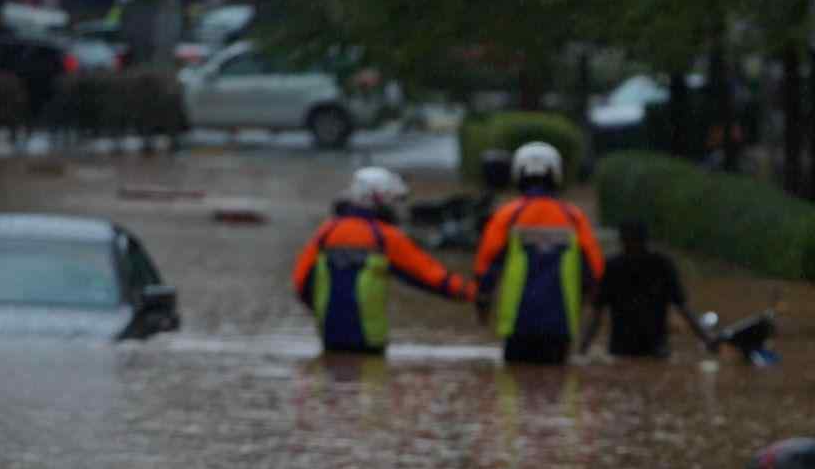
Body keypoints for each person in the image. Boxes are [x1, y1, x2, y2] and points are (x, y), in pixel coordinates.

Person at [291, 166, 476, 355]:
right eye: (393, 200)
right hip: (369, 339)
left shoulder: (326, 232)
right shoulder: (383, 236)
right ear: (377, 200)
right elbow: (429, 274)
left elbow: (300, 281)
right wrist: (473, 293)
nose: (396, 207)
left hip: (329, 336)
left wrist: (321, 312)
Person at [473, 141, 605, 365]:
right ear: (556, 174)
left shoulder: (508, 216)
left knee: (513, 392)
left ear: (518, 173)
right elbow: (595, 271)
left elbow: (485, 268)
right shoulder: (574, 217)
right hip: (560, 325)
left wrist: (482, 304)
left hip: (517, 323)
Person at [578, 219, 713, 358]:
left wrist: (582, 349)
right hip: (656, 348)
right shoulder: (662, 264)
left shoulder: (613, 266)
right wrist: (708, 339)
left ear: (622, 240)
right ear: (646, 240)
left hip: (622, 349)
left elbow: (597, 315)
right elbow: (684, 309)